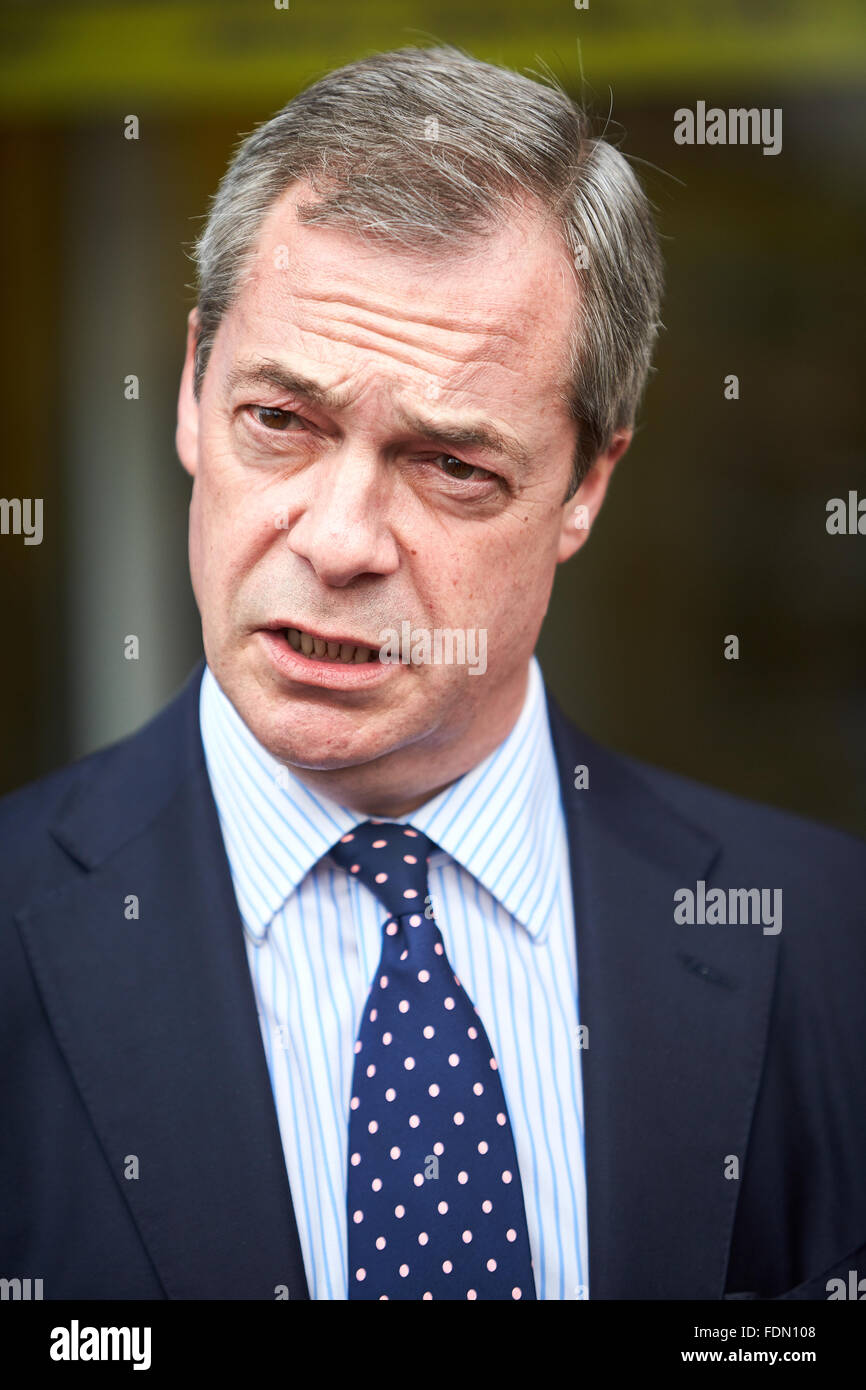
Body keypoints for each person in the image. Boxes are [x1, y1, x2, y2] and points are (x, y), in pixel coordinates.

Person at [2, 45, 865, 1302]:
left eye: (451, 465)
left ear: (585, 485)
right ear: (193, 388)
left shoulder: (830, 943)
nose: (340, 541)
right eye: (280, 421)